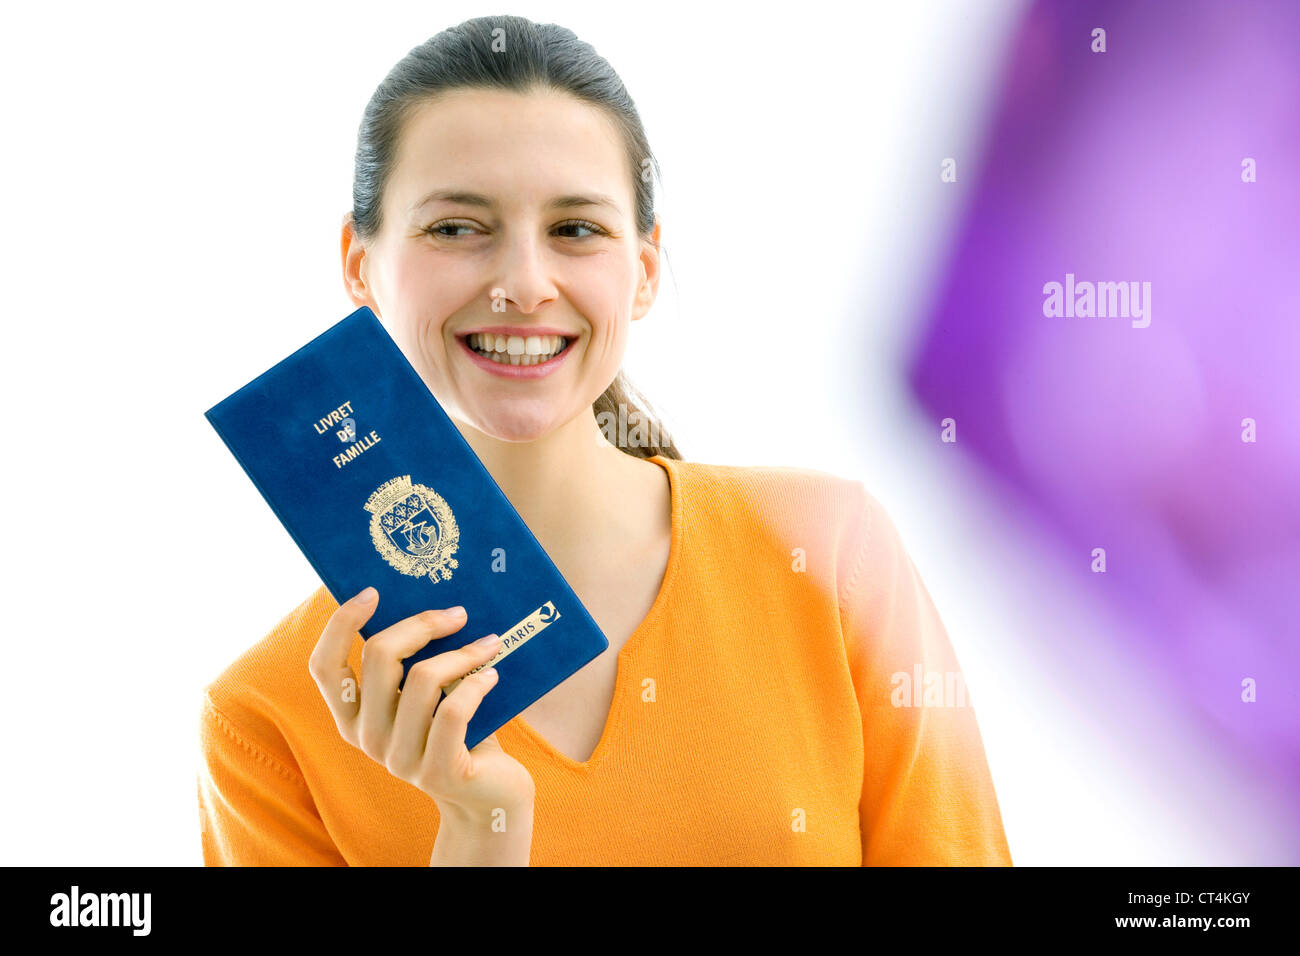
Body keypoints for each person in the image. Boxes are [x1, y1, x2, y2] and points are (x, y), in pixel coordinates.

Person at [197, 14, 1013, 866]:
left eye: (576, 229)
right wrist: (479, 831)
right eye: (456, 227)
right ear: (358, 264)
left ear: (645, 271)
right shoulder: (266, 723)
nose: (523, 284)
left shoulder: (828, 553)